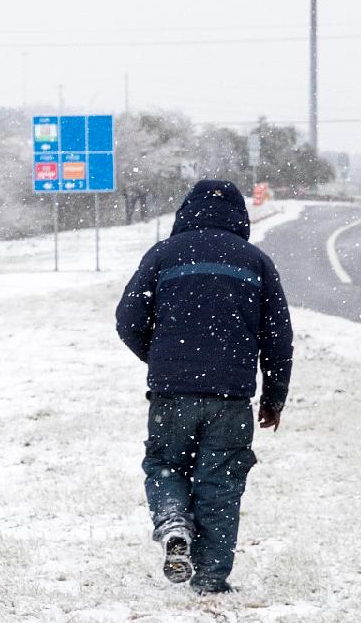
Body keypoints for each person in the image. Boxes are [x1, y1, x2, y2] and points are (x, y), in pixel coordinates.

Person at [114, 179, 292, 594]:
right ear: (240, 216)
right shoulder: (255, 262)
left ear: (185, 212)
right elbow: (278, 337)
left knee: (164, 465)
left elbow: (127, 319)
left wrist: (161, 359)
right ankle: (211, 578)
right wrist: (274, 397)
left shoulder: (163, 255)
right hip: (230, 397)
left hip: (172, 392)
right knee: (221, 483)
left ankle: (173, 520)